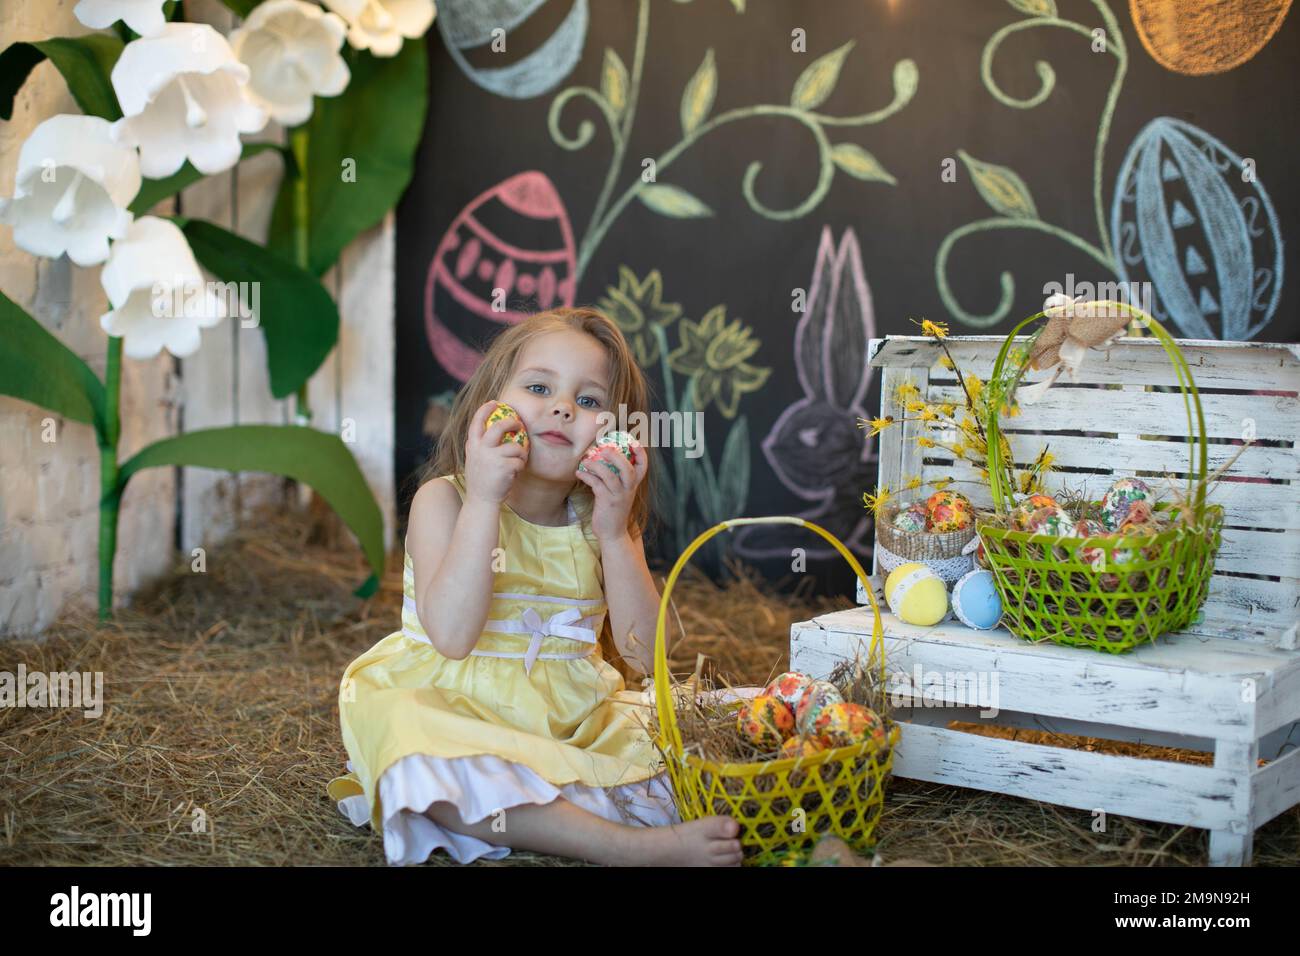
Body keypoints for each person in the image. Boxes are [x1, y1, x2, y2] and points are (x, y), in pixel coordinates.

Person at [326, 306, 743, 866]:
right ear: (489, 405)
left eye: (589, 401)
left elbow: (648, 658)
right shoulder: (446, 500)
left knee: (732, 721)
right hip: (458, 715)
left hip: (573, 721)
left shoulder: (604, 520)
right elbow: (450, 635)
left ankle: (575, 809)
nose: (562, 407)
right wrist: (483, 498)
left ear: (613, 434)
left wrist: (617, 537)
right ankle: (622, 846)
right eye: (539, 386)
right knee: (413, 748)